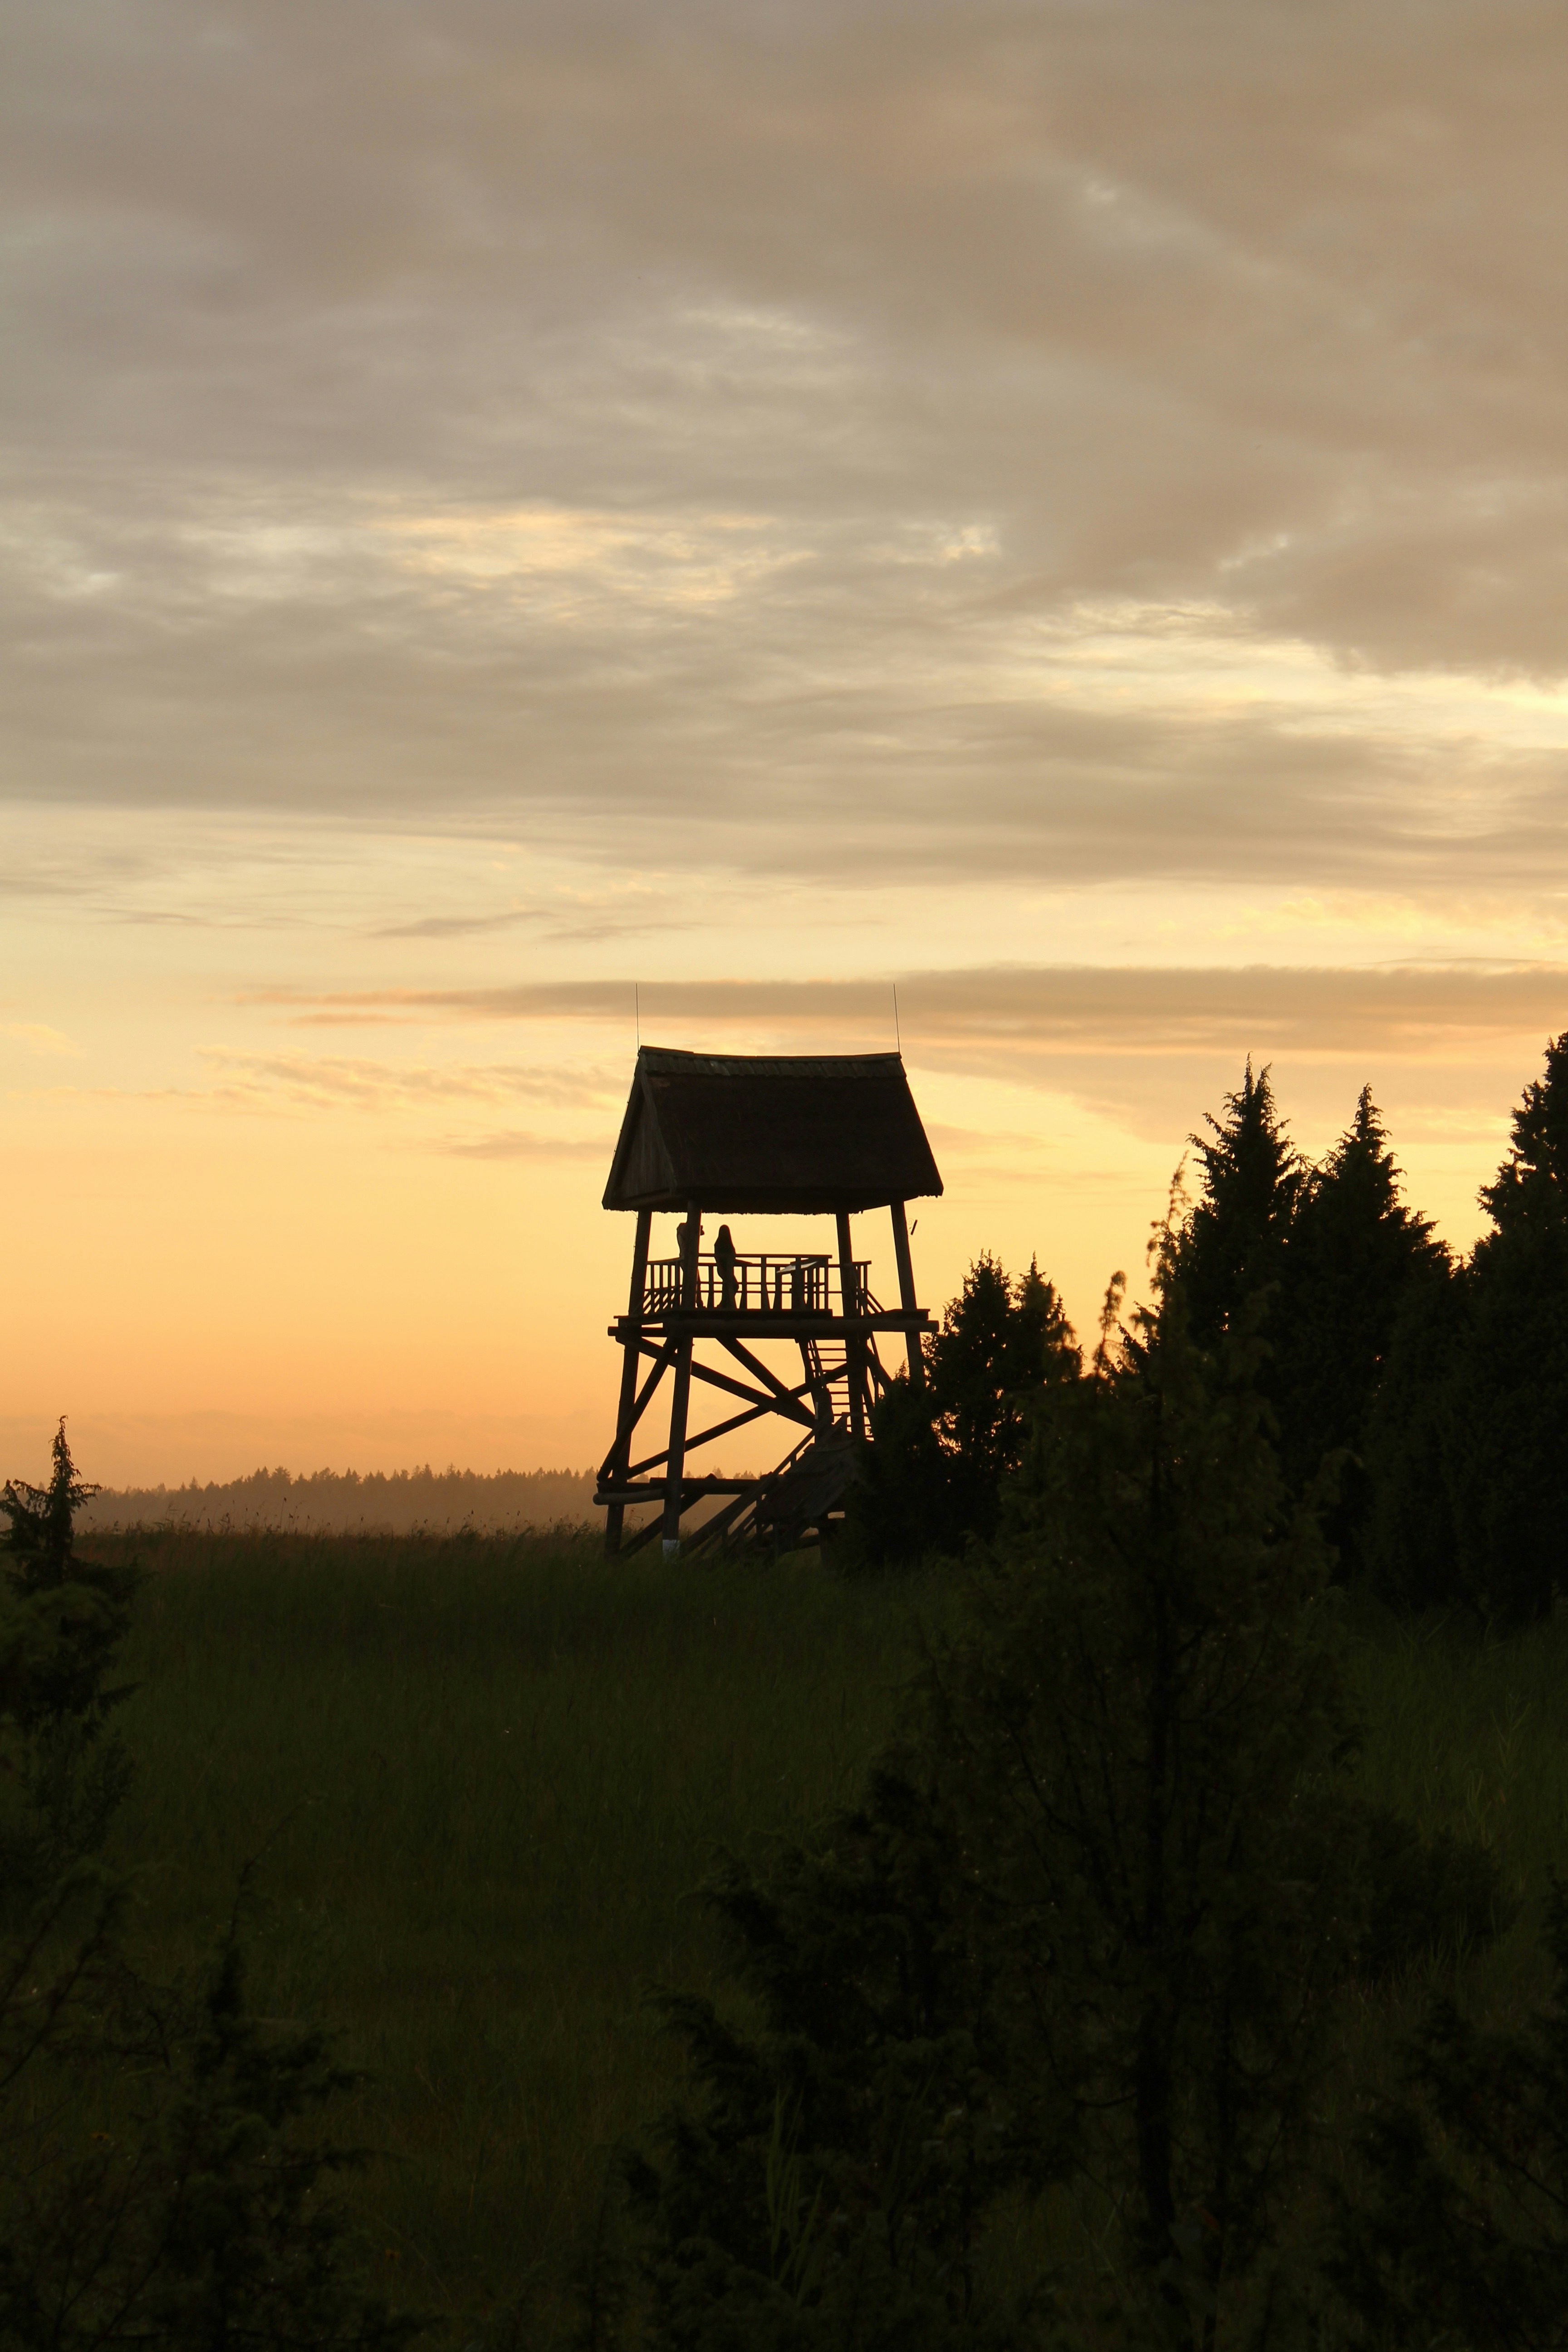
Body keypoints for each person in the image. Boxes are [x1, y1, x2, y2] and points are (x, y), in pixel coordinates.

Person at [714, 1223, 739, 1310]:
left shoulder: (722, 1244)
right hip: (724, 1269)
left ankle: (724, 1304)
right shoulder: (720, 1244)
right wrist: (721, 1268)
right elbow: (718, 1258)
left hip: (728, 1269)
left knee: (727, 1286)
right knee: (734, 1285)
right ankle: (726, 1304)